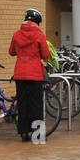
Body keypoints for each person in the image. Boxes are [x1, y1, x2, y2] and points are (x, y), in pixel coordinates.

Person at [8, 8, 52, 141]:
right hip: (35, 74)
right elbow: (45, 55)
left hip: (20, 74)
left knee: (22, 104)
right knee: (36, 105)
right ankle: (37, 135)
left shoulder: (17, 34)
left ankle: (24, 133)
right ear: (37, 22)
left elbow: (11, 52)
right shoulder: (39, 35)